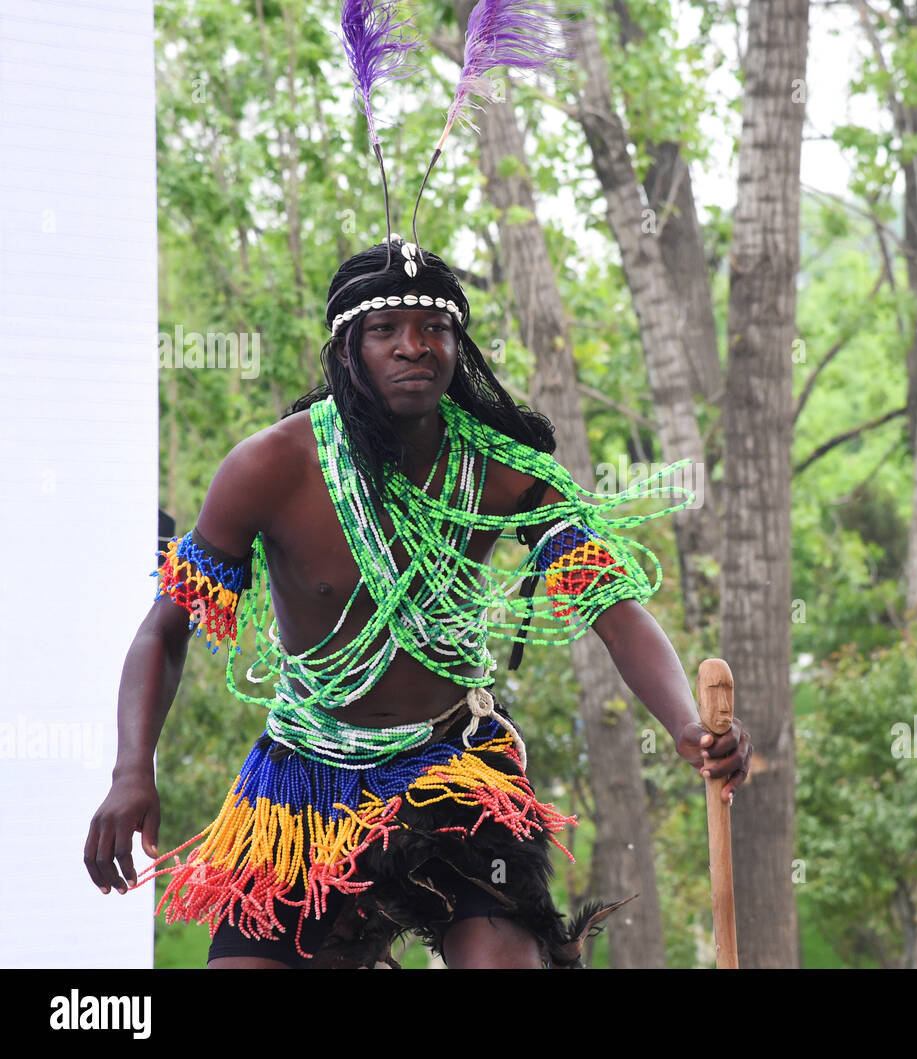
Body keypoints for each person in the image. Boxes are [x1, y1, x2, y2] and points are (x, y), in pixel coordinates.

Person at [84, 239, 751, 968]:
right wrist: (130, 771)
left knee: (502, 959)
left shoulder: (503, 470)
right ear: (346, 350)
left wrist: (685, 723)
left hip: (452, 760)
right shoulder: (268, 468)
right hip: (306, 778)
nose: (414, 347)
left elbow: (616, 615)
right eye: (385, 330)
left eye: (435, 328)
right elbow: (167, 629)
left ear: (457, 346)